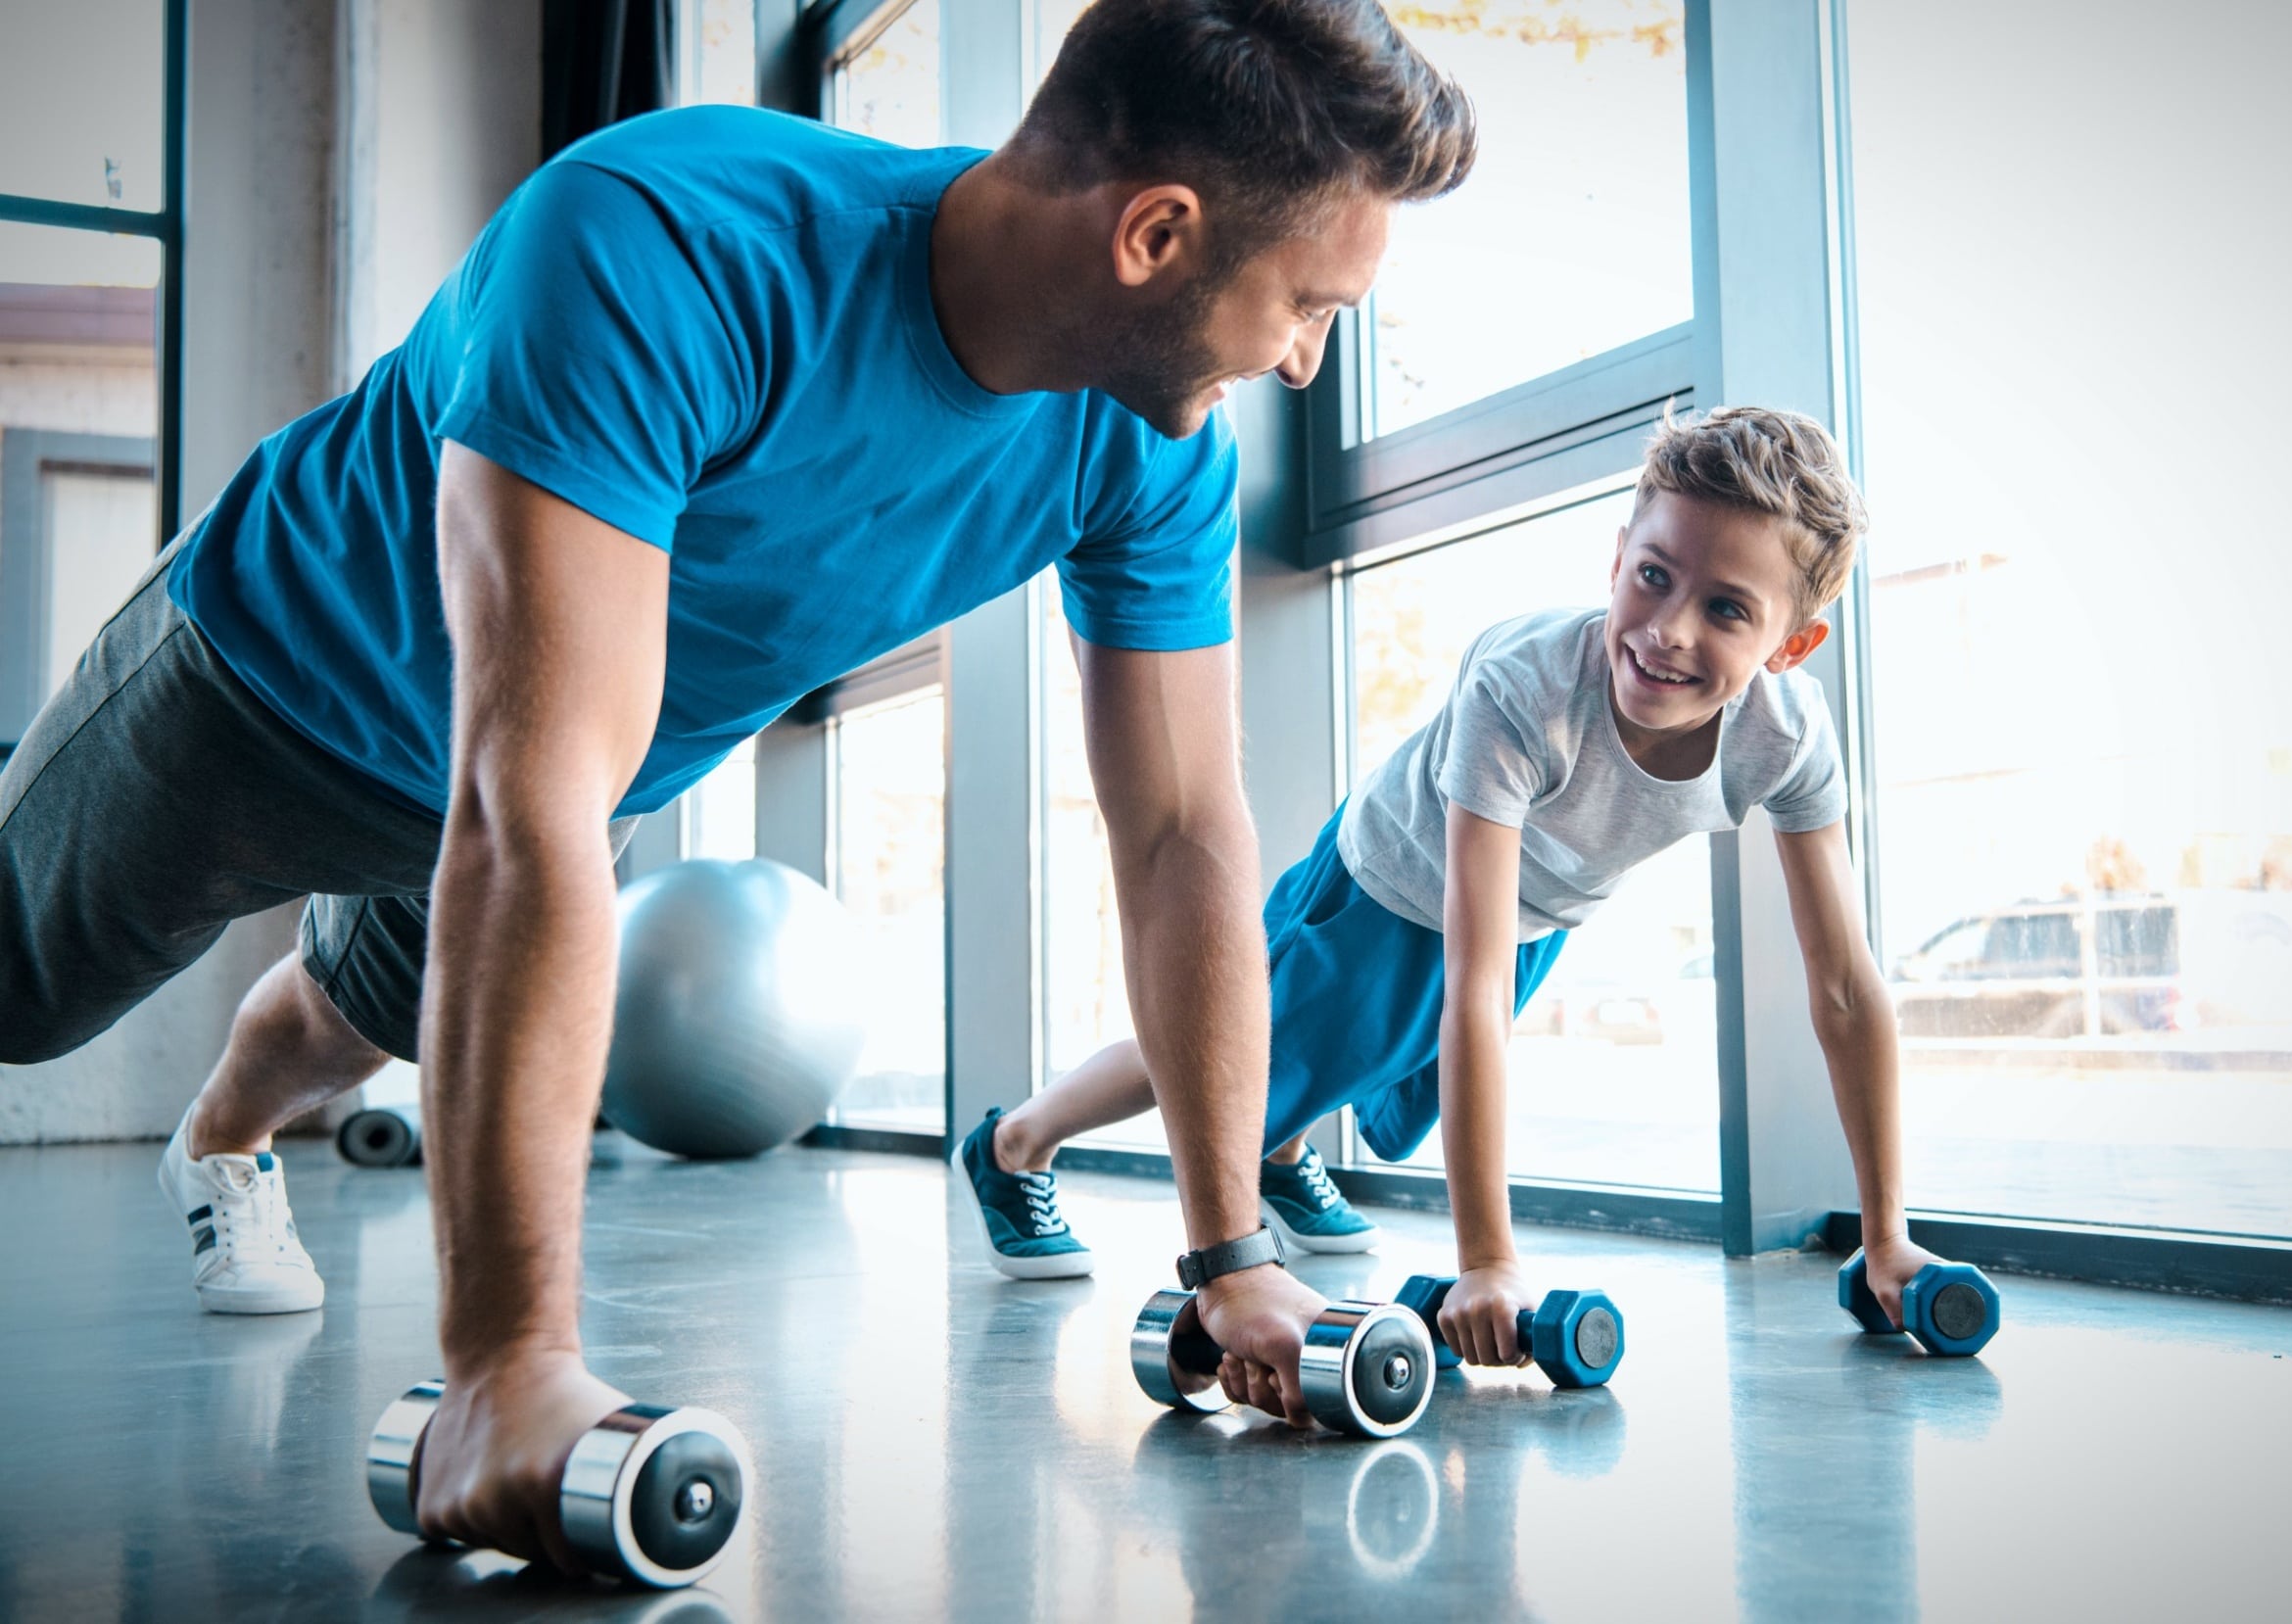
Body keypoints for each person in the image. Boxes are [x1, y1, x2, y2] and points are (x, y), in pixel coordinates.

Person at [0, 0, 1474, 1569]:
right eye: (1305, 308)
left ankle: (220, 1137)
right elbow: (526, 793)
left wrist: (1230, 1256)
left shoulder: (1153, 451)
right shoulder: (670, 238)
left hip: (544, 791)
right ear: (1158, 234)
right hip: (266, 683)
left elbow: (1183, 834)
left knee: (337, 1023)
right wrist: (508, 1360)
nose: (1304, 361)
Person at [971, 404, 1953, 1361]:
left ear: (1789, 645)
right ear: (1617, 560)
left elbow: (1841, 983)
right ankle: (1017, 1141)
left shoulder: (1787, 736)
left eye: (1726, 609)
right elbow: (1469, 982)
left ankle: (1280, 1145)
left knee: (1370, 1094)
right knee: (1226, 1056)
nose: (1666, 630)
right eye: (1652, 577)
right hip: (1385, 889)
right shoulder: (1523, 687)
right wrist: (1487, 1259)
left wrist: (1886, 1231)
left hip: (1535, 917)